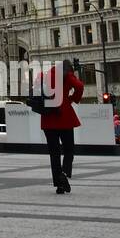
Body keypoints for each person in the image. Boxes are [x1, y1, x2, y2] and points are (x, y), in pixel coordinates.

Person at [41, 59, 84, 194]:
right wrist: (73, 99)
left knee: (54, 154)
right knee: (69, 149)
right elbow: (79, 86)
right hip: (63, 117)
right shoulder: (67, 75)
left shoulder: (46, 74)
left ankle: (59, 185)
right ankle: (64, 173)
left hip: (48, 118)